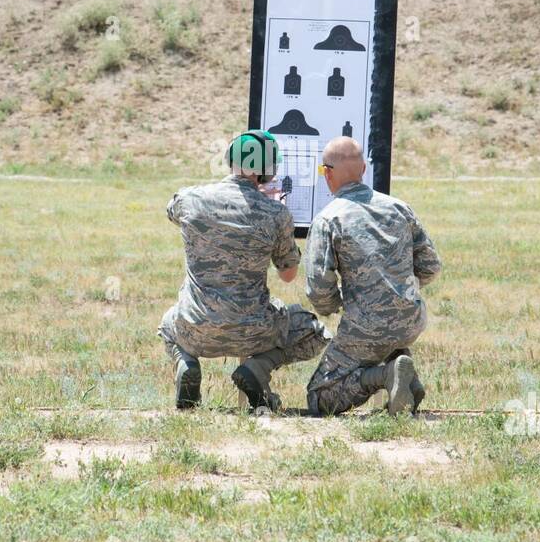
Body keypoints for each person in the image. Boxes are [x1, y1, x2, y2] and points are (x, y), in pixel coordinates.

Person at [158, 130, 330, 411]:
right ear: (270, 171)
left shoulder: (190, 199)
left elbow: (173, 214)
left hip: (195, 327)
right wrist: (278, 218)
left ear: (229, 159)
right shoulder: (276, 214)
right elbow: (288, 276)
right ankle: (259, 367)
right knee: (313, 330)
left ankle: (186, 362)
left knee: (168, 323)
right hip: (255, 332)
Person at [303, 137, 442, 416]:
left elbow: (319, 286)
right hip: (411, 320)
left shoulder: (329, 218)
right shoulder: (399, 207)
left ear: (327, 173)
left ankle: (386, 375)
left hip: (366, 326)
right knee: (385, 338)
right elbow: (430, 265)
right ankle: (408, 382)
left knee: (319, 398)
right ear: (363, 169)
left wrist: (334, 305)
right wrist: (398, 292)